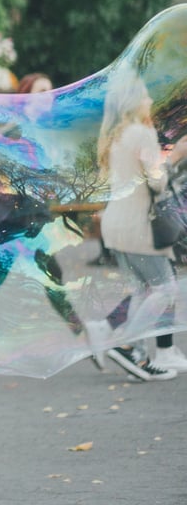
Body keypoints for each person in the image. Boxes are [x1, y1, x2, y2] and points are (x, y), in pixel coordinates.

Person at [94, 66, 186, 381]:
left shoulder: (117, 136)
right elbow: (157, 182)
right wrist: (175, 156)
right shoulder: (141, 133)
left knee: (142, 289)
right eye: (145, 94)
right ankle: (122, 345)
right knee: (164, 288)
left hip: (115, 224)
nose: (149, 98)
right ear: (134, 101)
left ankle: (139, 359)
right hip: (136, 225)